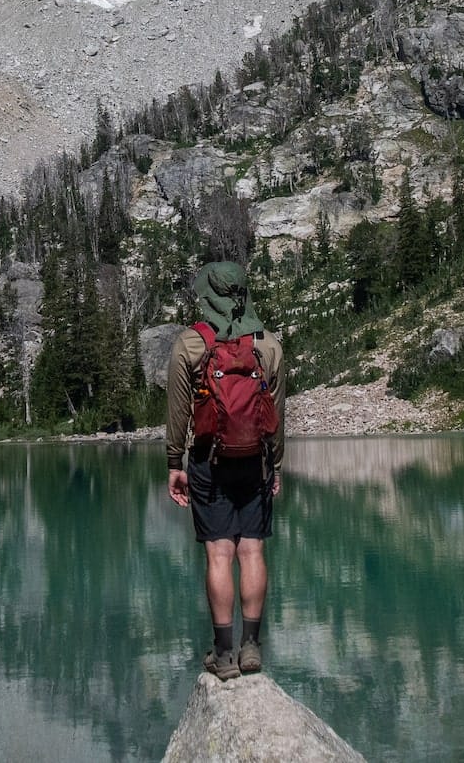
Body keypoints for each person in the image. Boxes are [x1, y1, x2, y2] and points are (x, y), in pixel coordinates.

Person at [165, 261, 286, 681]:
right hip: (255, 461)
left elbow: (179, 412)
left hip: (206, 460)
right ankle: (252, 646)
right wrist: (276, 465)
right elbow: (276, 416)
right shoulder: (267, 345)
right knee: (251, 550)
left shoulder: (190, 344)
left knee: (219, 552)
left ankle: (224, 653)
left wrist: (173, 464)